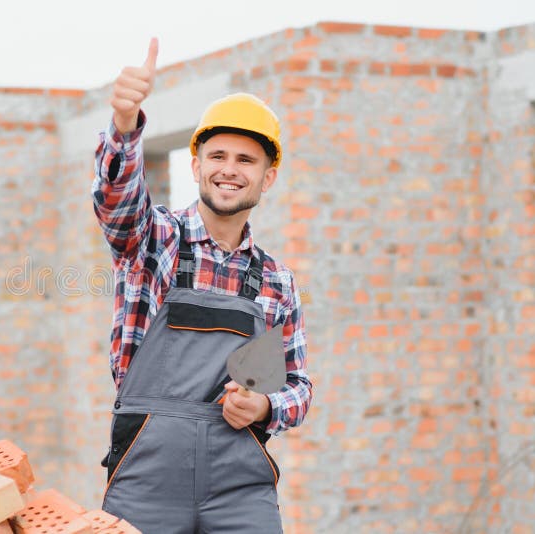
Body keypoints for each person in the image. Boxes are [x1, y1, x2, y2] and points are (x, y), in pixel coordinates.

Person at [92, 37, 312, 534]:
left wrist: (264, 405)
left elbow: (297, 387)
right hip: (147, 479)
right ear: (196, 167)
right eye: (217, 156)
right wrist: (125, 125)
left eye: (246, 160)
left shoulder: (276, 281)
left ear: (268, 177)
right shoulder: (155, 242)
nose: (229, 169)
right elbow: (117, 203)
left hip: (240, 490)